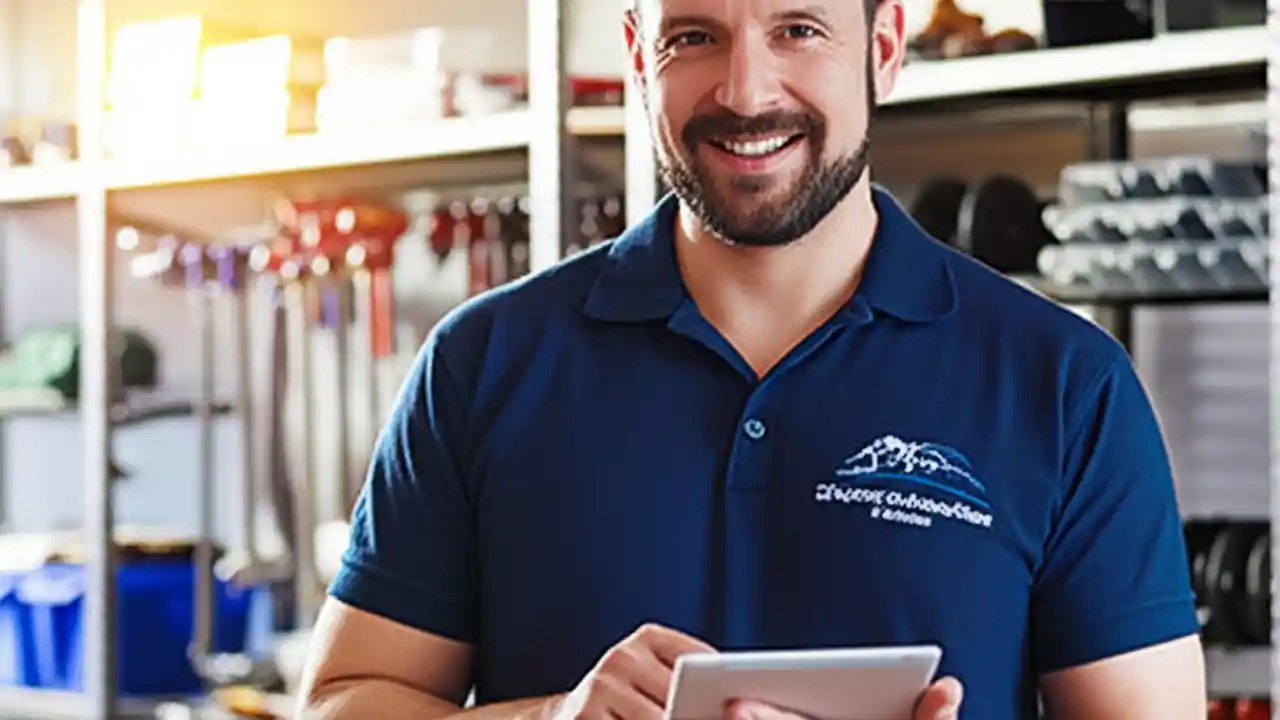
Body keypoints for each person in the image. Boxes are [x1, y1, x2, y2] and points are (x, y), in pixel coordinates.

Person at [296, 0, 1207, 718]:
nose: (744, 91)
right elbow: (342, 702)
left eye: (798, 30)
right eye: (693, 36)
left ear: (883, 48)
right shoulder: (484, 365)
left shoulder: (1065, 386)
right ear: (637, 52)